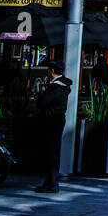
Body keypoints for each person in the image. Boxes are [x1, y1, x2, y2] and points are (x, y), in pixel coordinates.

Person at [34, 59, 73, 194]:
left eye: (49, 69)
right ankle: (50, 182)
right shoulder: (62, 86)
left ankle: (52, 183)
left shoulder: (56, 87)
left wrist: (43, 91)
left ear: (52, 71)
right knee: (53, 153)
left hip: (51, 122)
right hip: (57, 121)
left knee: (51, 153)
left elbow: (42, 102)